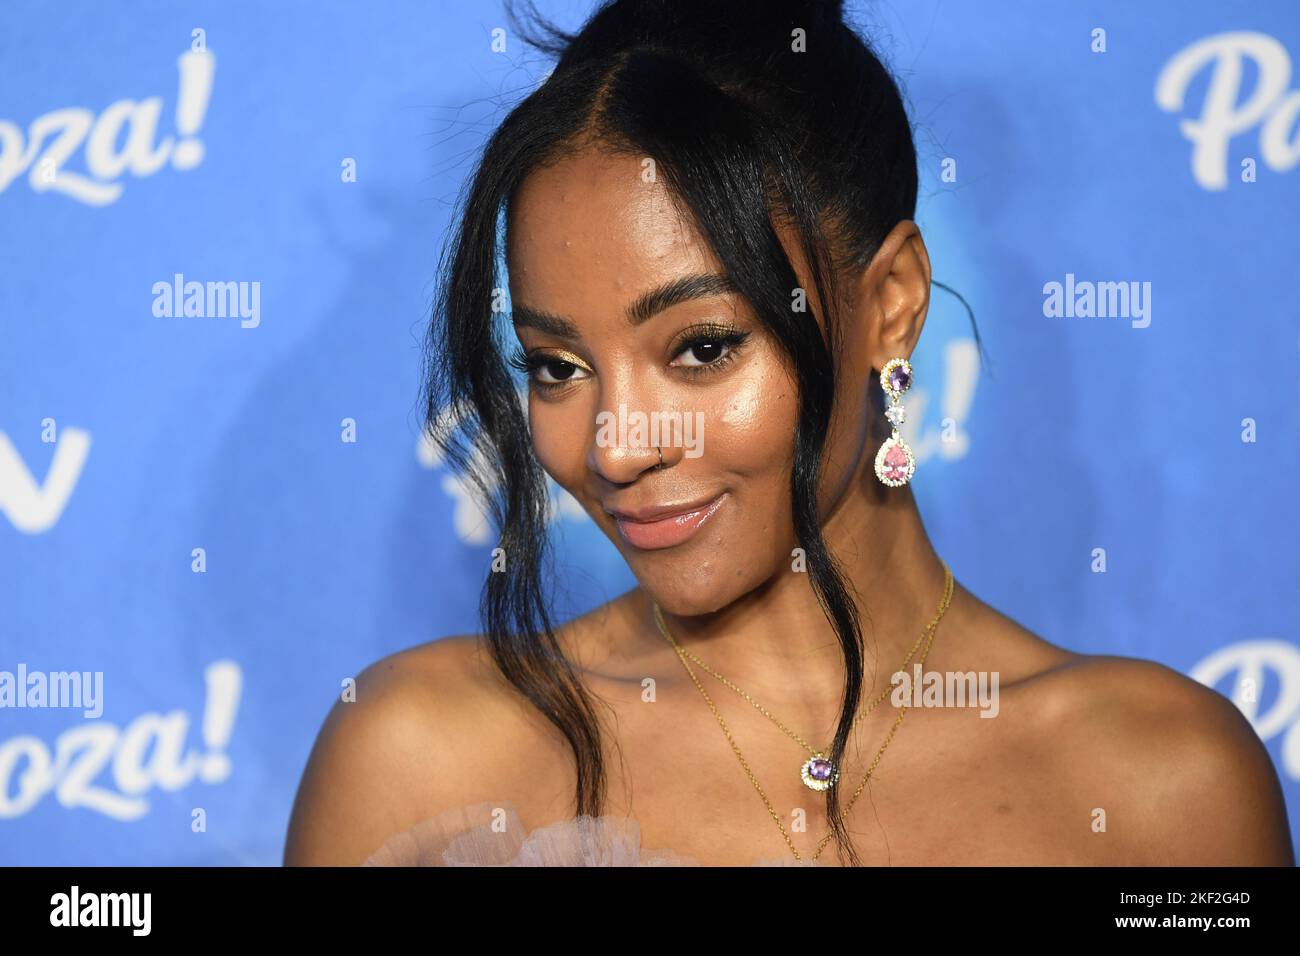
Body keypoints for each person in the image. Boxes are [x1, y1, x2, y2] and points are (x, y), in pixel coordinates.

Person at [283, 0, 1294, 867]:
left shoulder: (1163, 788)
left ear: (892, 302)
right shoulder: (417, 760)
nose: (616, 446)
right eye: (558, 367)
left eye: (703, 346)